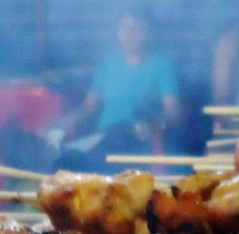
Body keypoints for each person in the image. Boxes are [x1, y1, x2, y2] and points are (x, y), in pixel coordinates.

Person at [55, 9, 180, 165]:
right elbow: (88, 107)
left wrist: (152, 125)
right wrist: (58, 124)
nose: (129, 34)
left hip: (136, 140)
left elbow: (173, 111)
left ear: (149, 33)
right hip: (104, 138)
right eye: (124, 28)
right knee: (63, 161)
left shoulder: (162, 65)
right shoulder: (108, 64)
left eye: (137, 28)